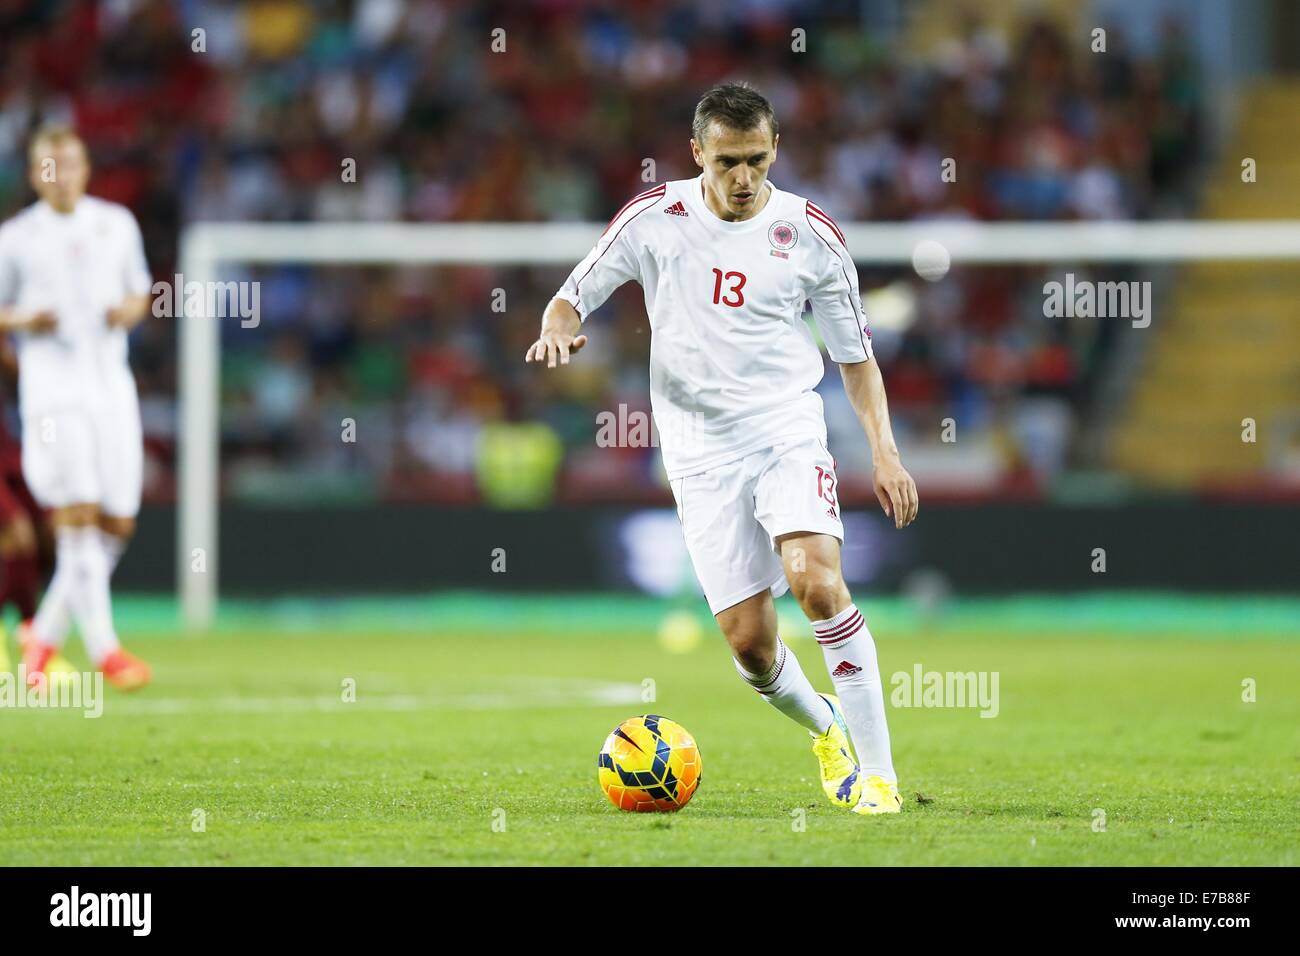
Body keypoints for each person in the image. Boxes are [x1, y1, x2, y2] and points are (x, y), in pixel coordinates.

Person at [527, 83, 919, 815]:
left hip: (785, 432)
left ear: (776, 151)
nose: (745, 179)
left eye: (759, 161)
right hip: (698, 451)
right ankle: (827, 726)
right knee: (751, 645)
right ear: (697, 153)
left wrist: (885, 453)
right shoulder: (653, 219)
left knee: (818, 583)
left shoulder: (811, 235)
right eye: (730, 161)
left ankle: (880, 778)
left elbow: (856, 361)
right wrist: (556, 327)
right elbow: (570, 294)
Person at [0, 125, 152, 690]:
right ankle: (105, 651)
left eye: (67, 165)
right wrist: (23, 319)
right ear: (35, 174)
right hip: (52, 394)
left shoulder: (116, 225)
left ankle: (40, 645)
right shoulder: (16, 238)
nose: (57, 176)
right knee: (77, 520)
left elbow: (142, 291)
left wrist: (128, 312)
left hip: (111, 388)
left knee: (115, 522)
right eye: (46, 167)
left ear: (85, 169)